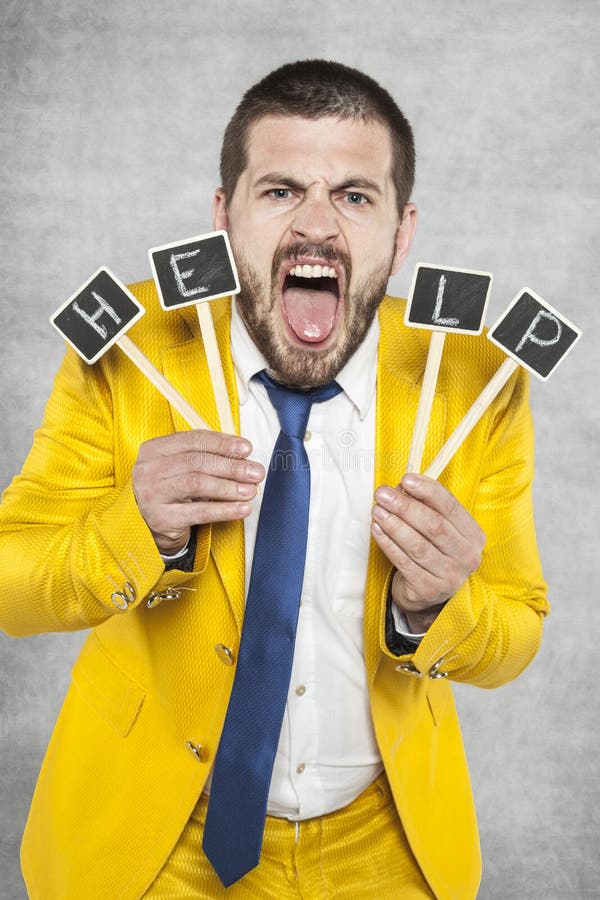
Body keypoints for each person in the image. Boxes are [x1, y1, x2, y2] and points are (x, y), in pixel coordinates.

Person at [0, 59, 548, 899]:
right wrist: (133, 526)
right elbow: (11, 582)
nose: (317, 227)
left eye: (355, 196)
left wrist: (437, 606)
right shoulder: (134, 356)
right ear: (226, 217)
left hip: (385, 839)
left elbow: (516, 631)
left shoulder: (471, 381)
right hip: (157, 835)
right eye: (282, 191)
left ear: (402, 234)